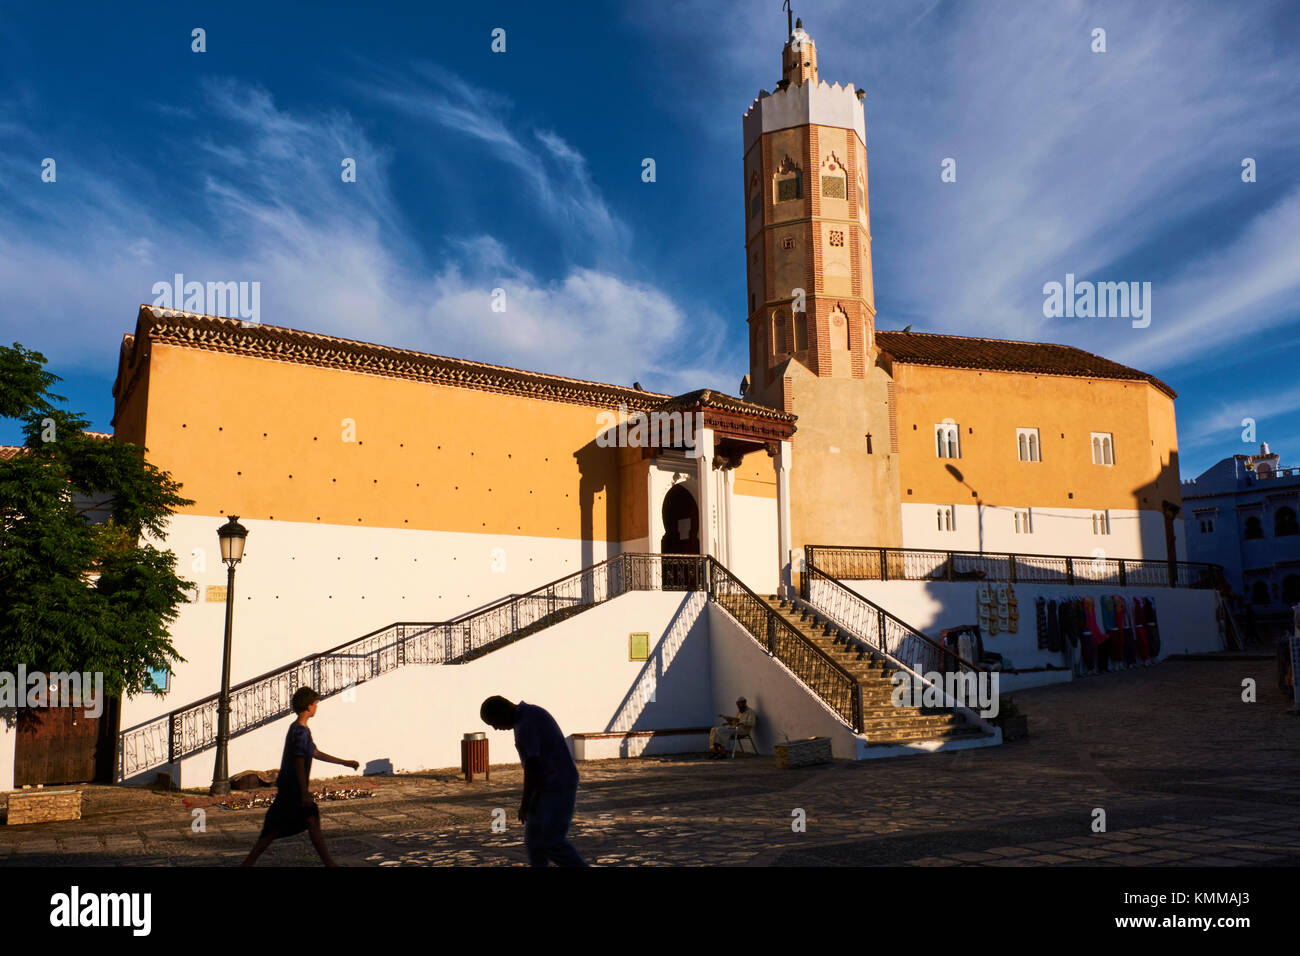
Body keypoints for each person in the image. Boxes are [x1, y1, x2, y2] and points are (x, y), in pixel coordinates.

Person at [242, 687, 359, 866]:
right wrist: (304, 792)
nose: (317, 707)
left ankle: (329, 863)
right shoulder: (300, 731)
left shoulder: (298, 729)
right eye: (315, 704)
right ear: (309, 706)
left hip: (291, 787)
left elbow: (315, 753)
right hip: (292, 789)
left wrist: (344, 762)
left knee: (305, 822)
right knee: (276, 828)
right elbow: (298, 760)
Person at [480, 695, 585, 867]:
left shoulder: (525, 725)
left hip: (557, 784)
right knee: (535, 841)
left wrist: (526, 803)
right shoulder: (530, 713)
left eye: (494, 723)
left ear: (503, 711)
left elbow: (532, 767)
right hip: (547, 784)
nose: (496, 729)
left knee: (552, 841)